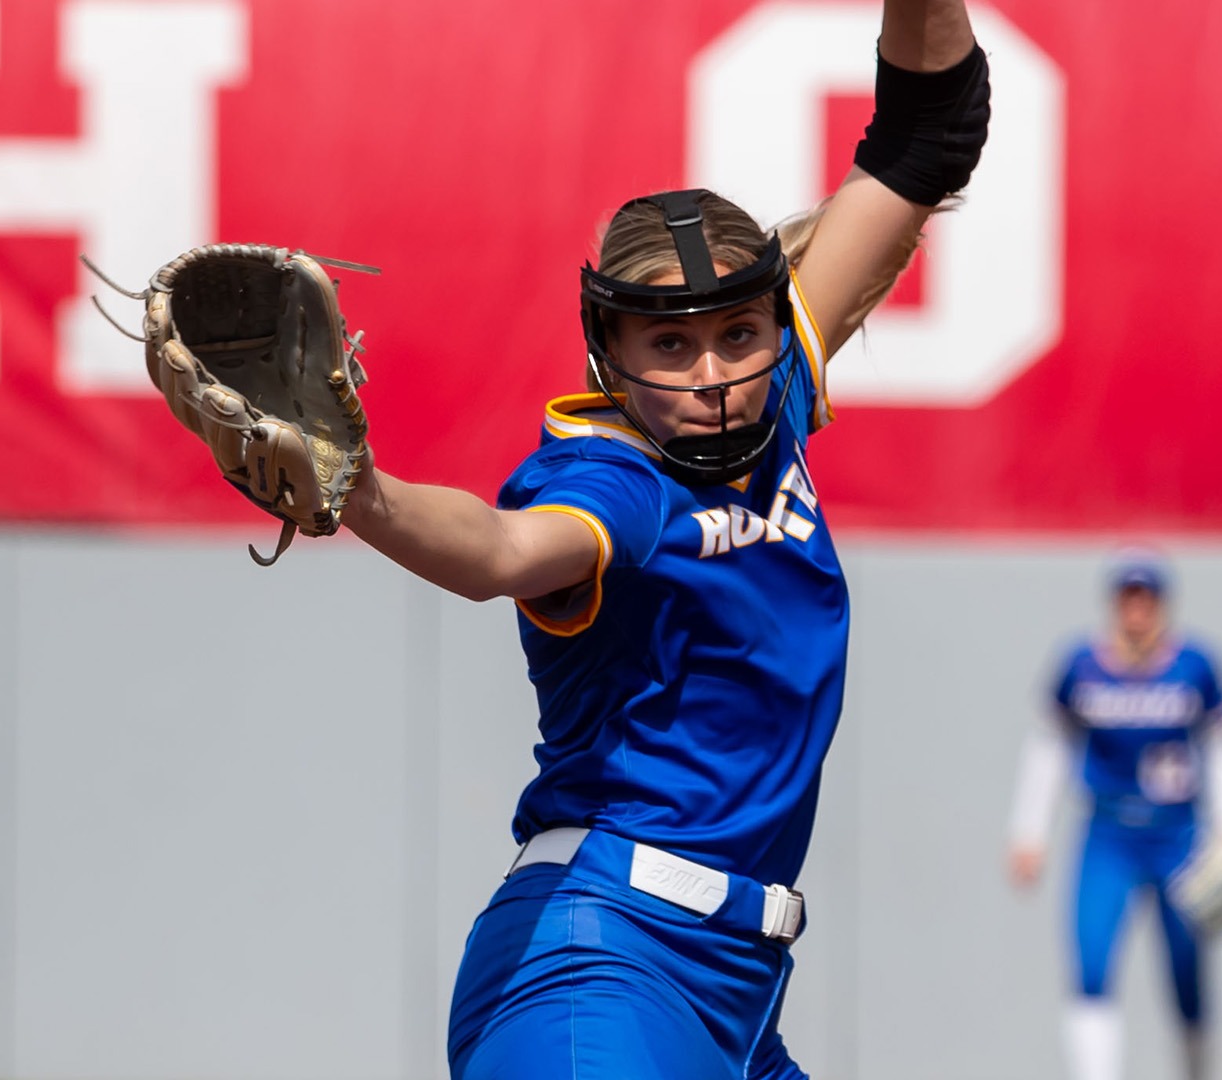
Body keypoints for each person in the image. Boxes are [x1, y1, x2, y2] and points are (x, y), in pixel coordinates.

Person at [328, 3, 991, 1076]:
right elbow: (498, 554)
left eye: (738, 333)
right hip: (598, 968)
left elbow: (930, 135)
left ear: (776, 325)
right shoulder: (615, 480)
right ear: (610, 353)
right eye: (669, 345)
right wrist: (358, 491)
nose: (713, 373)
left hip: (731, 992)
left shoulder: (773, 400)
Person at [1006, 552, 1222, 1080]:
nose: (1137, 613)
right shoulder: (1082, 666)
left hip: (1178, 835)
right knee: (1091, 966)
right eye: (1128, 601)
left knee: (1187, 978)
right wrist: (1029, 831)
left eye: (1147, 601)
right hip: (1108, 831)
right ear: (1115, 606)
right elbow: (1050, 746)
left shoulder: (1195, 666)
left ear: (1164, 607)